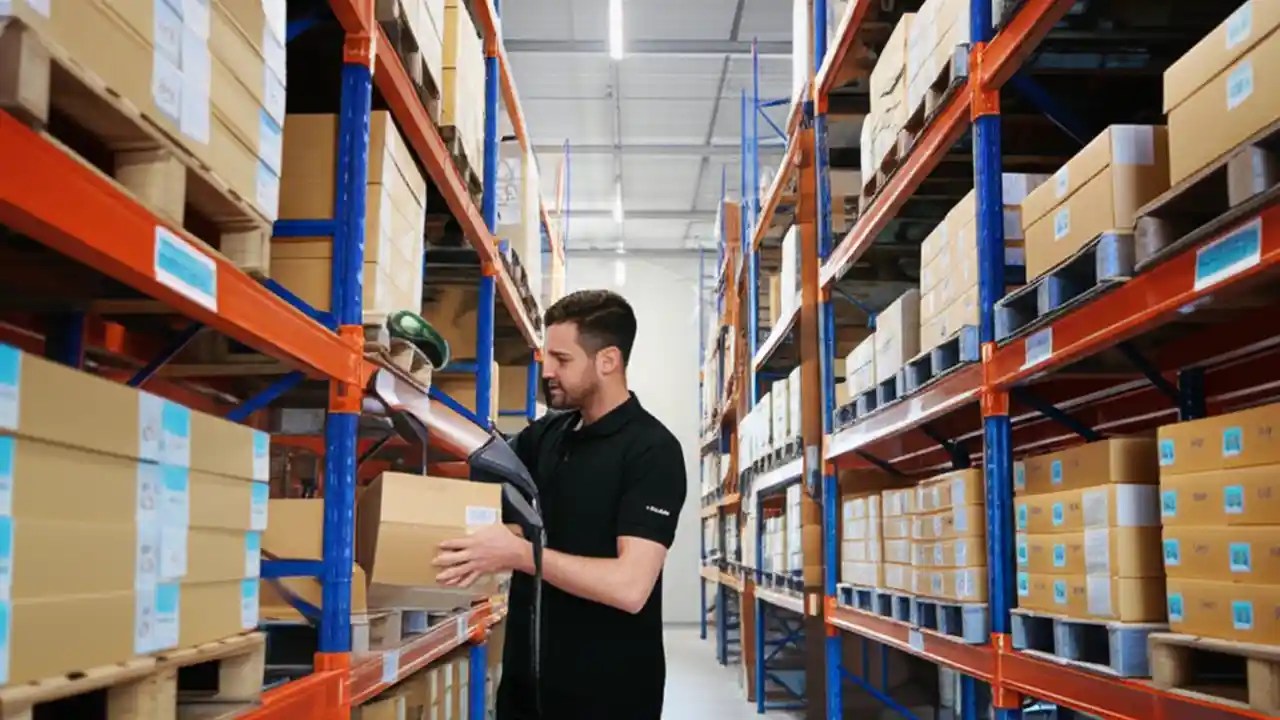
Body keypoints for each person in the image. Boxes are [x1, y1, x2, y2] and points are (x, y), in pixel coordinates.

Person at [433, 289, 688, 720]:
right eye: (546, 356)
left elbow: (630, 587)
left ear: (607, 361)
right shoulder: (548, 437)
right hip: (526, 693)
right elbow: (482, 481)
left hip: (607, 698)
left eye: (562, 359)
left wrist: (519, 554)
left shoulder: (651, 451)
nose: (546, 370)